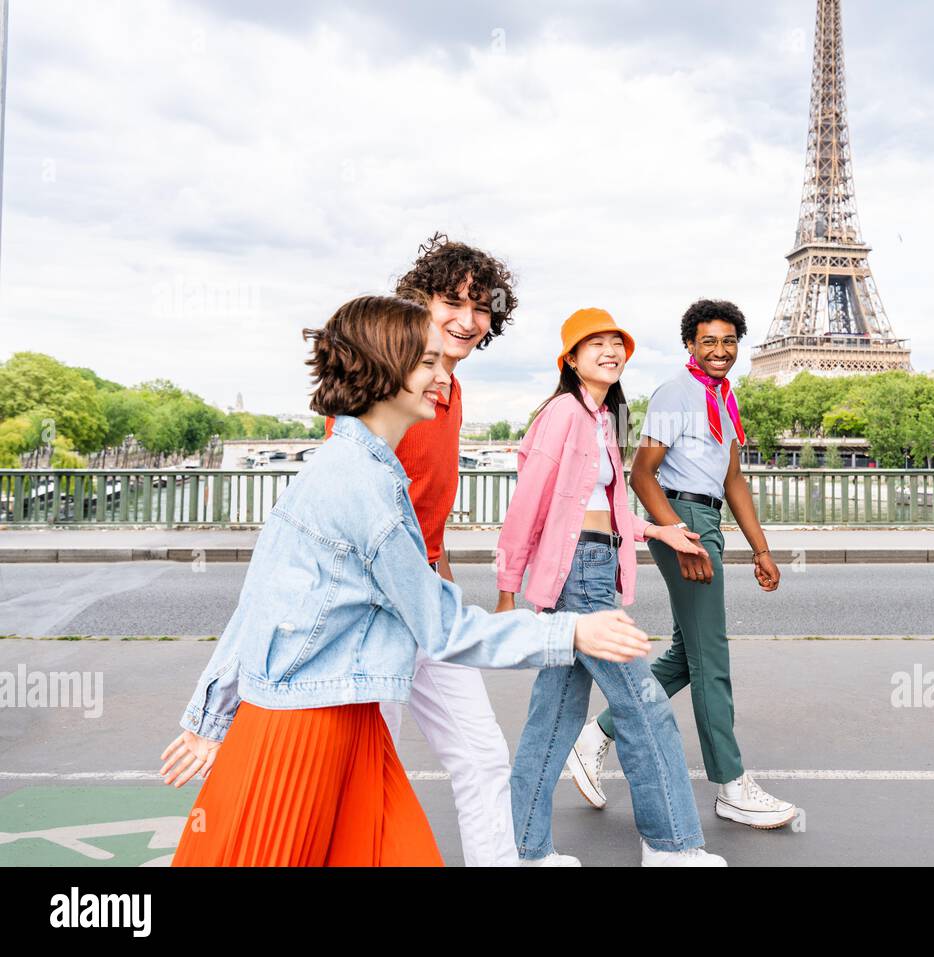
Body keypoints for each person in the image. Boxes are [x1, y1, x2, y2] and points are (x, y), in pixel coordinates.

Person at [161, 294, 651, 866]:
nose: (443, 376)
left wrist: (209, 717)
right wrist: (573, 633)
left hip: (341, 721)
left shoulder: (346, 467)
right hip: (310, 735)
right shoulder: (368, 491)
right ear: (383, 370)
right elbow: (441, 628)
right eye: (427, 363)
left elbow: (258, 604)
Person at [495, 308, 726, 867]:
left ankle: (520, 850)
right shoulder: (563, 415)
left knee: (554, 717)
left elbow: (601, 508)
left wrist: (660, 531)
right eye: (593, 344)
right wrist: (506, 589)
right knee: (644, 706)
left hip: (592, 566)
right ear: (570, 359)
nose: (609, 351)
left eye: (616, 343)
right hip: (579, 576)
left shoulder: (599, 419)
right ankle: (671, 846)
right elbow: (529, 504)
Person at [322, 234, 523, 866]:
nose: (468, 319)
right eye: (451, 301)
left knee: (483, 753)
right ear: (418, 301)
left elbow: (424, 502)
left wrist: (441, 570)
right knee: (372, 764)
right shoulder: (384, 383)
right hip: (373, 603)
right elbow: (354, 495)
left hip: (428, 592)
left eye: (481, 306)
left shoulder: (450, 388)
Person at [570, 299, 798, 829]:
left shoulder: (724, 396)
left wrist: (761, 550)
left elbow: (733, 480)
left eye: (728, 341)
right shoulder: (677, 393)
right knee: (712, 657)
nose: (720, 351)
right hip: (683, 520)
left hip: (706, 518)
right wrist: (678, 537)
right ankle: (731, 785)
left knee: (688, 652)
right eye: (708, 341)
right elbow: (642, 474)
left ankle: (596, 734)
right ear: (690, 346)